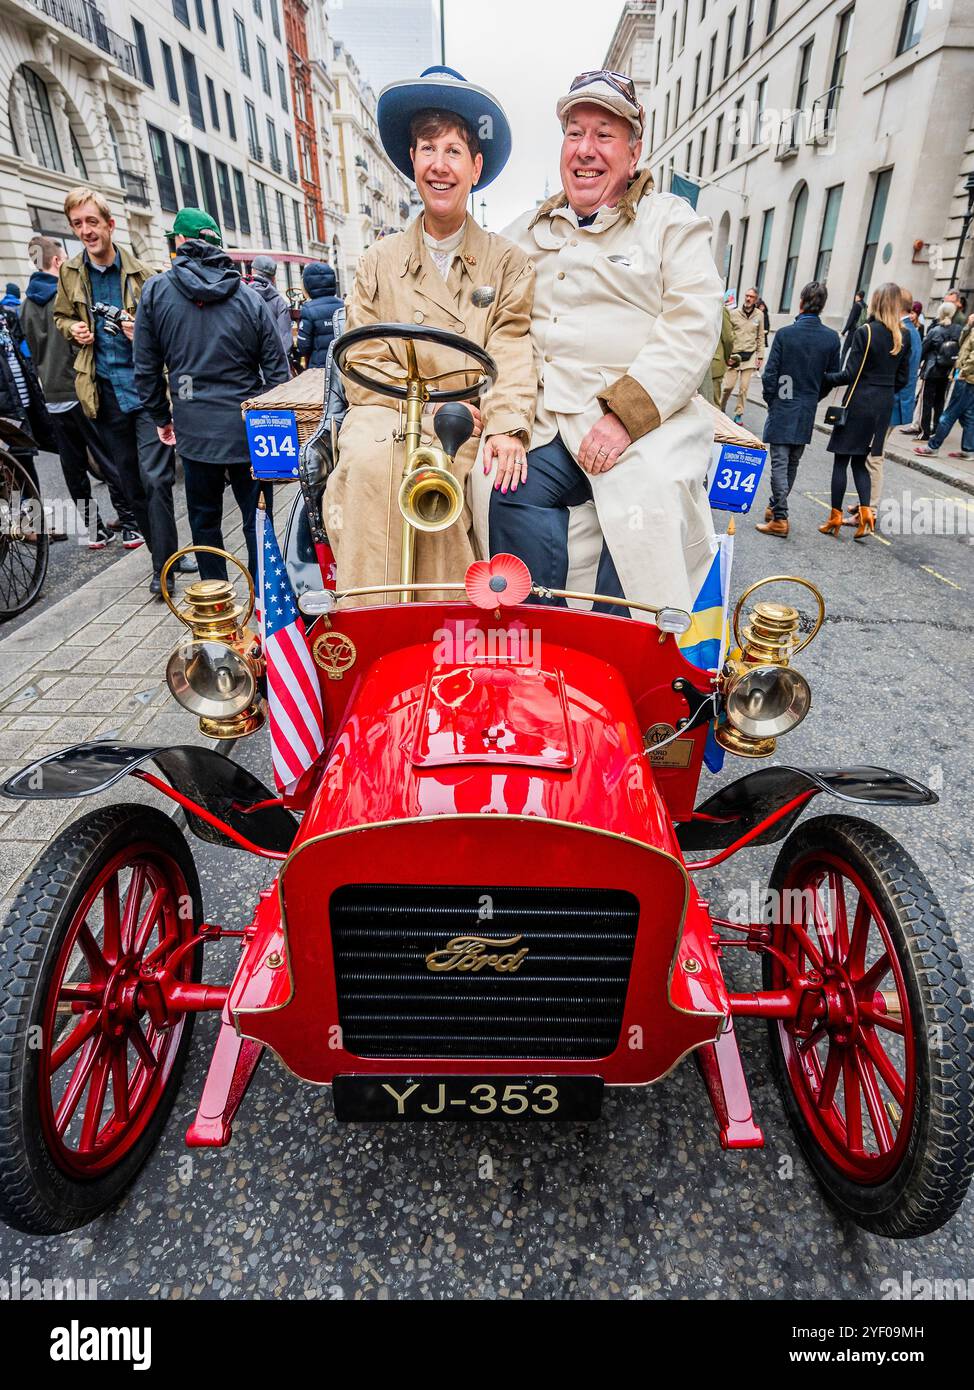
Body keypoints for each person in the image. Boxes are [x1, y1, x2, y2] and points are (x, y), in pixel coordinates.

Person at [481, 70, 722, 618]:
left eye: (604, 135)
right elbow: (493, 322)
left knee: (648, 498)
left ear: (633, 154)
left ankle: (621, 652)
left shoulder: (670, 223)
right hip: (547, 415)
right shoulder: (524, 230)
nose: (585, 150)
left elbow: (693, 323)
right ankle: (532, 632)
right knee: (507, 485)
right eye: (575, 133)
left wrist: (625, 415)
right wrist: (489, 407)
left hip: (641, 420)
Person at [325, 66, 535, 598]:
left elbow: (511, 345)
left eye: (453, 151)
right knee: (369, 466)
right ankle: (368, 625)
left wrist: (508, 425)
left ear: (475, 166)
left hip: (466, 421)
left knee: (454, 483)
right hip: (386, 412)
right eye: (426, 149)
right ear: (412, 163)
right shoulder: (376, 260)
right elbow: (363, 361)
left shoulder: (508, 262)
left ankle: (444, 632)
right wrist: (423, 402)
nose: (439, 165)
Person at [133, 207, 289, 591]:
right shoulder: (248, 297)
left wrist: (161, 417)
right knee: (259, 519)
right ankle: (265, 602)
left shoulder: (156, 292)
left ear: (180, 243)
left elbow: (146, 366)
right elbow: (277, 370)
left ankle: (216, 604)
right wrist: (270, 424)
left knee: (204, 521)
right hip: (246, 428)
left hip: (193, 426)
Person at [53, 186, 189, 592]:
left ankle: (162, 569)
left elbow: (170, 337)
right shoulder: (70, 273)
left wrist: (140, 334)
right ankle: (162, 555)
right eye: (78, 224)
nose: (86, 231)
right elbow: (61, 316)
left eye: (92, 222)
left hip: (147, 395)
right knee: (131, 485)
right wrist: (72, 330)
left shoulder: (145, 276)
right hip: (103, 394)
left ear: (110, 224)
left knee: (155, 481)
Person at [21, 235, 129, 548]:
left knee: (73, 469)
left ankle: (94, 530)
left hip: (52, 395)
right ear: (57, 262)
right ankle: (131, 522)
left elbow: (29, 352)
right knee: (107, 457)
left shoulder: (25, 306)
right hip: (81, 388)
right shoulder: (65, 294)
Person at [820, 283, 910, 542]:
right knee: (861, 462)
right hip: (883, 407)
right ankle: (866, 517)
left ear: (876, 302)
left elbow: (849, 374)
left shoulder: (865, 332)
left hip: (859, 403)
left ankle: (834, 518)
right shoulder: (901, 336)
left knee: (841, 461)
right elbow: (903, 379)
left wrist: (824, 377)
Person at [756, 281, 840, 539]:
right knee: (792, 462)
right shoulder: (831, 338)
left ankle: (780, 517)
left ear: (801, 302)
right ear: (822, 305)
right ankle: (774, 507)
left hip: (784, 401)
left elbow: (770, 374)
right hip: (805, 405)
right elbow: (831, 377)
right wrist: (814, 395)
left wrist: (773, 399)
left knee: (780, 463)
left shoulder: (785, 334)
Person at [914, 322, 974, 463]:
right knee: (969, 415)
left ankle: (933, 446)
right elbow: (962, 342)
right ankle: (968, 449)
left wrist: (963, 372)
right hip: (968, 379)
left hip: (966, 378)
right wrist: (968, 327)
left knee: (949, 414)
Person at [910, 302, 962, 440]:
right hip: (946, 372)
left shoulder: (935, 331)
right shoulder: (958, 330)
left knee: (926, 403)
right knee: (940, 402)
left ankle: (924, 432)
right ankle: (936, 429)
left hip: (932, 370)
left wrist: (917, 366)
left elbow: (923, 349)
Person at [720, 285, 765, 424]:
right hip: (734, 356)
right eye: (746, 296)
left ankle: (738, 413)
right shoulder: (734, 314)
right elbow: (727, 334)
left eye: (751, 297)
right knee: (728, 386)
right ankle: (721, 408)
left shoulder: (759, 315)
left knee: (744, 388)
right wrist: (726, 355)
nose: (748, 298)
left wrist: (760, 355)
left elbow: (760, 336)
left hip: (750, 356)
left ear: (755, 300)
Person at [295, 262, 343, 368]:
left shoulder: (308, 309)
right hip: (342, 366)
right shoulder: (343, 305)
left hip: (319, 368)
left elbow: (303, 347)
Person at [245, 254, 293, 357]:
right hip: (272, 362)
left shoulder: (242, 295)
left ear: (253, 271)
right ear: (274, 278)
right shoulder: (279, 301)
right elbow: (285, 339)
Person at [842, 290, 866, 361]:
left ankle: (840, 369)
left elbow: (850, 320)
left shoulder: (856, 305)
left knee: (844, 351)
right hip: (859, 331)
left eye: (856, 295)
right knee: (853, 353)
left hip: (852, 331)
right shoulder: (865, 306)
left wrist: (843, 332)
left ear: (858, 296)